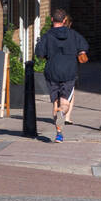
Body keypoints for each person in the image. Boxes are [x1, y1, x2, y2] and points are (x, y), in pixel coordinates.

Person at [35, 8, 89, 143]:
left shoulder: (47, 36)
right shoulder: (74, 35)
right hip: (69, 72)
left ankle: (59, 132)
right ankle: (61, 113)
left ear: (52, 20)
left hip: (52, 71)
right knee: (65, 102)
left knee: (55, 102)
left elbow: (40, 54)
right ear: (65, 20)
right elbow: (83, 48)